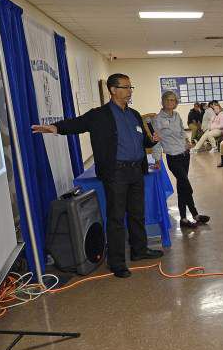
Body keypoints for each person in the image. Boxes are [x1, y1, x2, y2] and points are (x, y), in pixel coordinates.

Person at [32, 73, 162, 278]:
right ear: (112, 90)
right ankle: (117, 262)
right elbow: (77, 124)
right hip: (116, 172)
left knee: (137, 213)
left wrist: (152, 140)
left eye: (131, 88)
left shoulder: (134, 115)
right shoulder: (99, 115)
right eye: (126, 87)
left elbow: (143, 142)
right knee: (117, 217)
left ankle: (140, 250)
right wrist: (55, 127)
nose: (130, 91)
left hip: (136, 170)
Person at [150, 91, 210, 228]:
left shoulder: (176, 116)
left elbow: (182, 132)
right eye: (168, 100)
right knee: (186, 185)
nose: (171, 102)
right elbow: (157, 142)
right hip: (173, 158)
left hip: (185, 155)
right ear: (163, 101)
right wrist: (157, 160)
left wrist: (187, 142)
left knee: (182, 186)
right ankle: (195, 214)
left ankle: (184, 218)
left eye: (173, 100)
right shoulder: (157, 119)